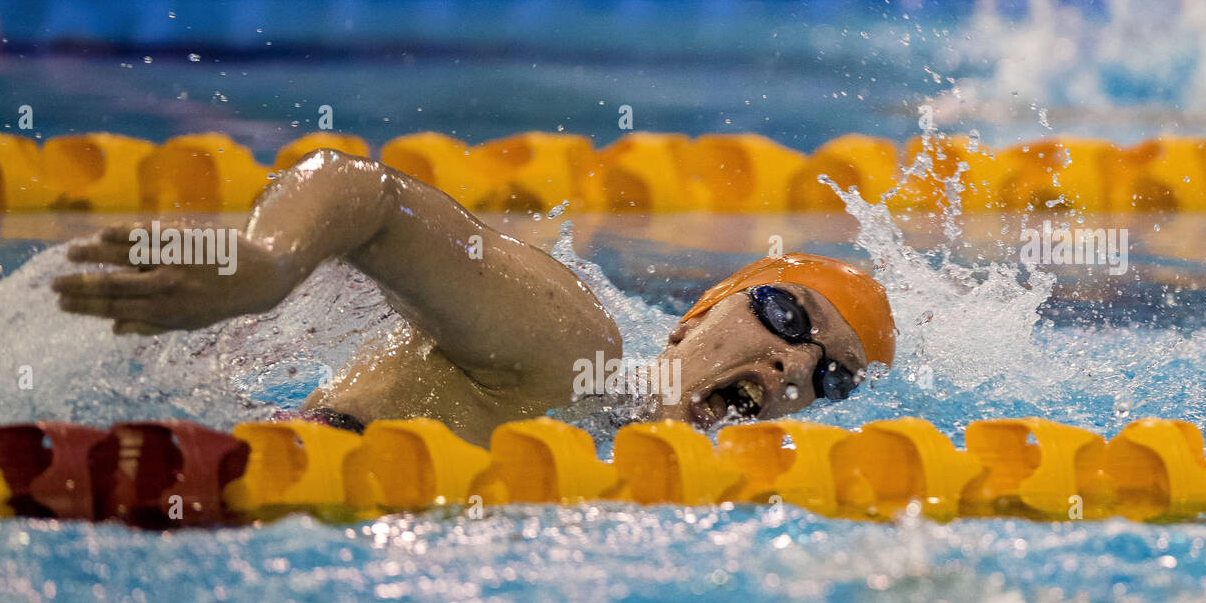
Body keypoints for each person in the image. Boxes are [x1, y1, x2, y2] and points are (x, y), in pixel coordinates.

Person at [52, 149, 897, 445]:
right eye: (788, 314)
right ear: (698, 311)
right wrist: (266, 263)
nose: (793, 361)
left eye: (832, 378)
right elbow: (370, 197)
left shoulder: (622, 459)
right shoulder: (574, 353)